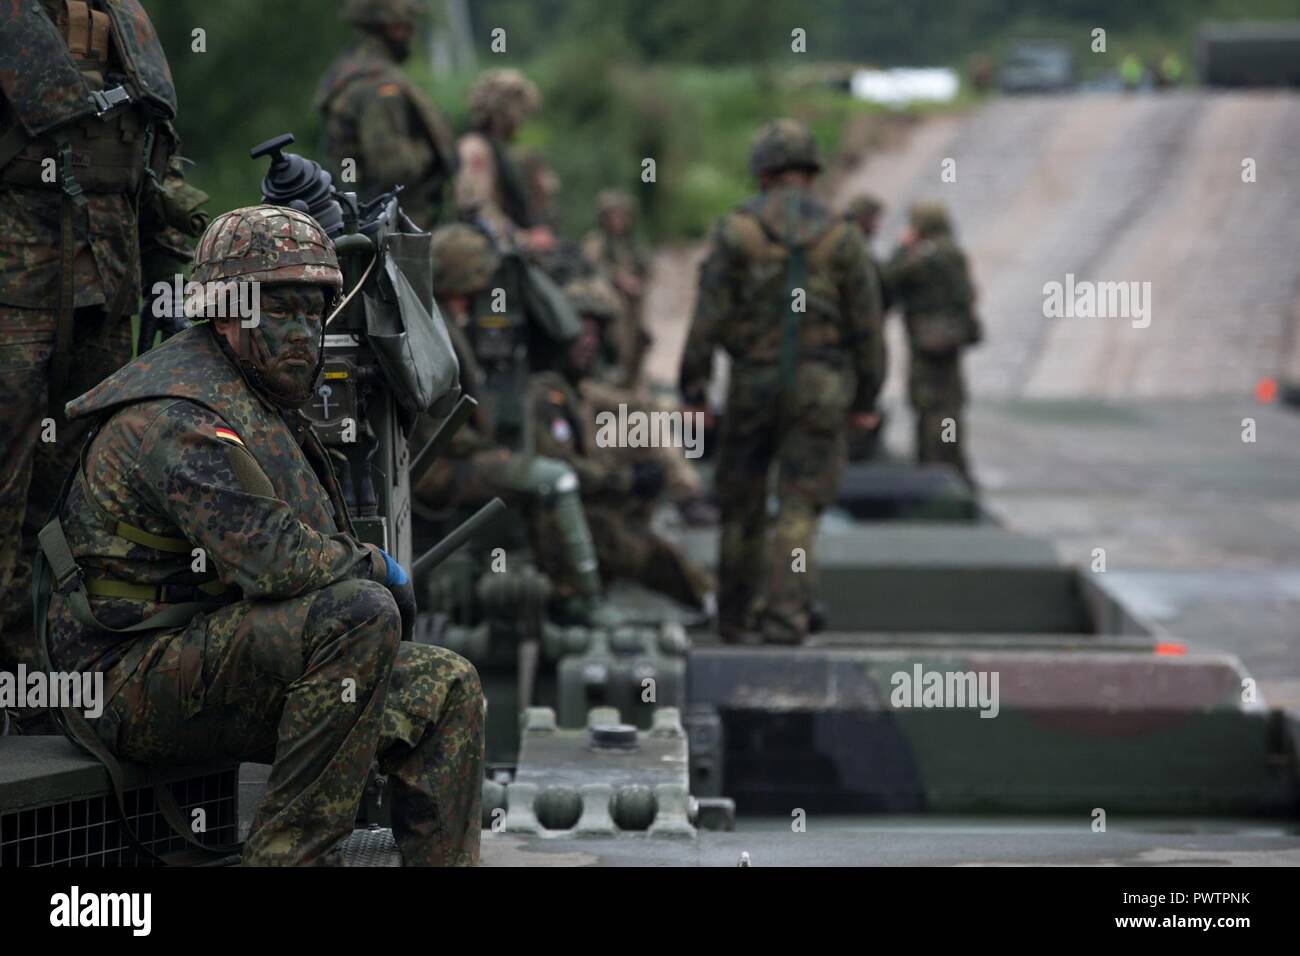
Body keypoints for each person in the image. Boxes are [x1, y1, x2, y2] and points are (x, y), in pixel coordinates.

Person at [40, 206, 484, 866]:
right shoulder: (177, 415)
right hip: (124, 674)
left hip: (207, 656)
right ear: (225, 312)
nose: (302, 333)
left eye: (312, 312)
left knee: (445, 686)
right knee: (356, 613)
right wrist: (379, 568)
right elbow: (276, 561)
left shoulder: (257, 398)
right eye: (279, 311)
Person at [0, 0, 207, 718]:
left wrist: (167, 261)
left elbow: (151, 156)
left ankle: (65, 652)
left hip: (108, 269)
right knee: (9, 469)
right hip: (17, 272)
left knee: (85, 470)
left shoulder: (122, 16)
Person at [679, 119, 885, 644]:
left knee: (740, 504)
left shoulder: (736, 231)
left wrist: (695, 389)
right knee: (798, 505)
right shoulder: (843, 235)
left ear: (763, 172)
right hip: (821, 388)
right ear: (810, 173)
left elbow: (706, 317)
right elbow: (868, 326)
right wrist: (866, 397)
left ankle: (733, 618)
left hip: (753, 384)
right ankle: (786, 618)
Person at [416, 224, 618, 626]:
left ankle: (546, 591)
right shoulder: (436, 331)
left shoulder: (438, 321)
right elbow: (435, 430)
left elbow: (563, 328)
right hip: (437, 468)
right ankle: (585, 603)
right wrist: (488, 451)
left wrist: (522, 266)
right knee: (554, 479)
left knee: (534, 471)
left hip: (450, 454)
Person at [528, 277, 716, 612]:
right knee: (642, 549)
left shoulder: (574, 386)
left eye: (594, 332)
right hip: (557, 520)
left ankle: (707, 592)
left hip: (587, 498)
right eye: (580, 331)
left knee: (644, 427)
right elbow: (562, 470)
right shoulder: (544, 391)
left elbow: (634, 403)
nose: (589, 341)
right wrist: (627, 481)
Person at [315, 0, 457, 229]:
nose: (412, 33)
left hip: (368, 217)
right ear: (392, 27)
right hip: (393, 224)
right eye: (407, 25)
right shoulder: (379, 85)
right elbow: (394, 168)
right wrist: (430, 153)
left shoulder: (352, 71)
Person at [885, 201, 982, 484]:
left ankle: (938, 469)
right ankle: (948, 468)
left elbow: (891, 277)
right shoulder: (950, 251)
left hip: (931, 344)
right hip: (945, 342)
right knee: (946, 407)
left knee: (934, 408)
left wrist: (903, 248)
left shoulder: (928, 254)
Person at [454, 69, 554, 252]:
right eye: (520, 110)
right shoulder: (475, 149)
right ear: (505, 110)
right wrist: (522, 238)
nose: (522, 120)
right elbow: (475, 208)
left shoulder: (497, 150)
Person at [581, 189, 653, 388]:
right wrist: (618, 279)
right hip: (609, 302)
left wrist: (639, 280)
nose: (619, 220)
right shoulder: (597, 241)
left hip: (633, 303)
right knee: (617, 336)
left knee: (638, 337)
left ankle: (632, 377)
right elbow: (591, 268)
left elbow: (645, 267)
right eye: (614, 215)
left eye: (623, 215)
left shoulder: (630, 243)